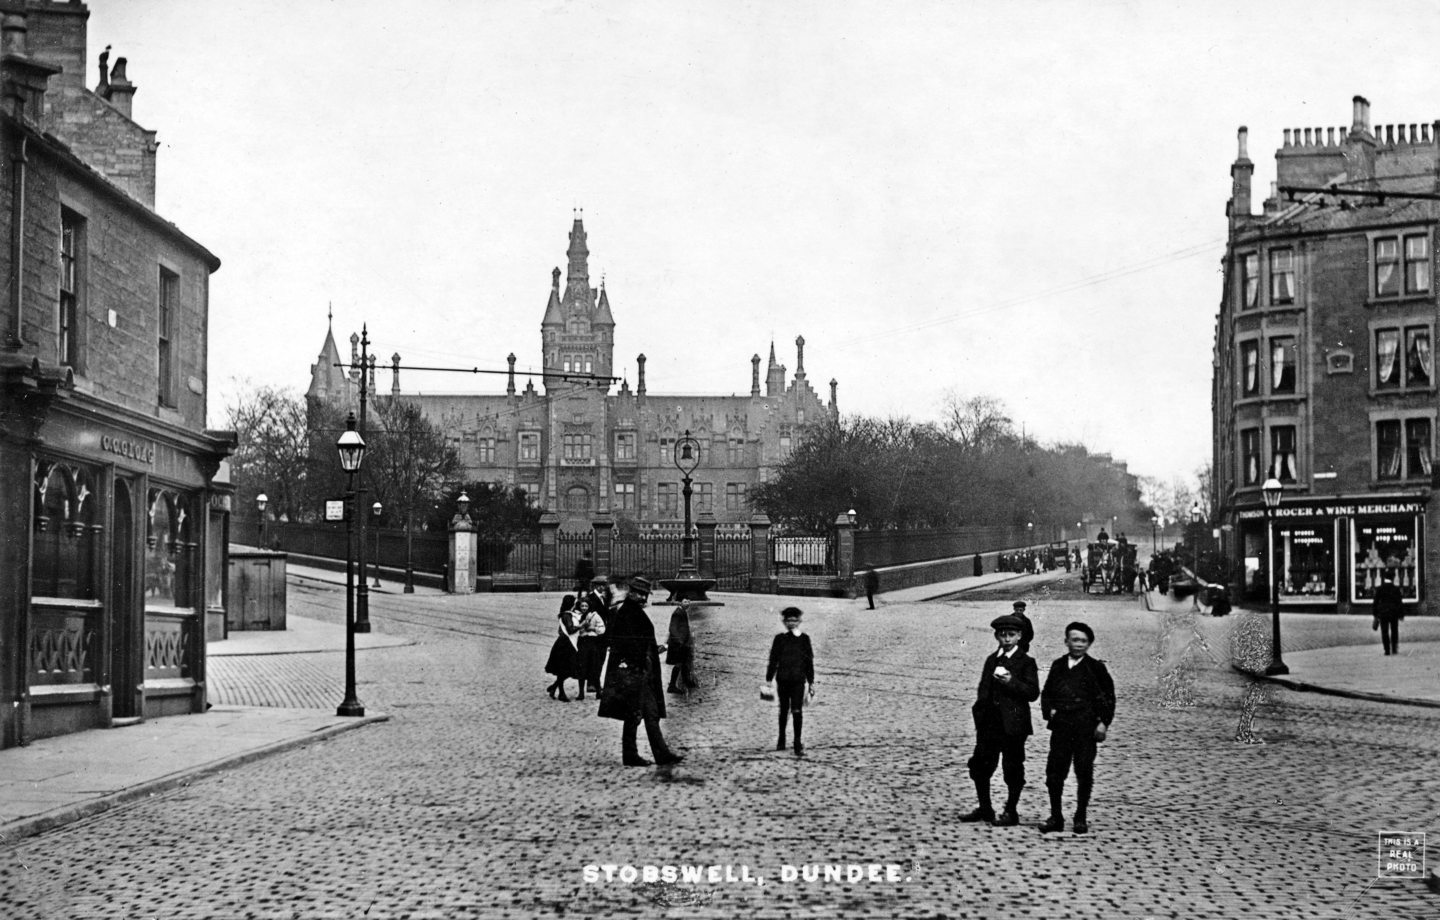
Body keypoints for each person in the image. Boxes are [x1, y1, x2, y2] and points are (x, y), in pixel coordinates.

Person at [960, 614, 1040, 827]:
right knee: (980, 766)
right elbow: (983, 689)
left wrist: (1011, 681)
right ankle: (985, 808)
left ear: (1019, 636)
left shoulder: (1026, 662)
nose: (1006, 639)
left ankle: (1011, 811)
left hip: (1013, 726)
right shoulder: (991, 659)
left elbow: (1032, 693)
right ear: (996, 636)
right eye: (1002, 635)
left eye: (1011, 635)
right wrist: (979, 715)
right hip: (989, 725)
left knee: (1012, 768)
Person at [597, 574, 682, 766]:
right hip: (635, 673)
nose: (643, 598)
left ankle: (661, 754)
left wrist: (653, 650)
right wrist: (639, 660)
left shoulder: (633, 611)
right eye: (640, 594)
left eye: (645, 595)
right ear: (631, 593)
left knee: (650, 714)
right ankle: (631, 755)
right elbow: (623, 644)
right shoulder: (627, 613)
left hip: (644, 672)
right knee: (634, 714)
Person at [1039, 622, 1115, 835]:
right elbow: (1047, 692)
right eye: (1075, 640)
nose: (1079, 644)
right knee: (1055, 773)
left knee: (1083, 771)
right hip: (1062, 727)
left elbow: (1108, 697)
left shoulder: (1096, 668)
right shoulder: (1058, 665)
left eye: (1083, 641)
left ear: (1089, 644)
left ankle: (1080, 816)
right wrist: (1049, 711)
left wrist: (1103, 723)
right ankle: (1056, 816)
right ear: (1066, 641)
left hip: (1085, 728)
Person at [766, 606, 815, 757]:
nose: (792, 623)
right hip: (783, 680)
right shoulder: (779, 639)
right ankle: (781, 738)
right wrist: (769, 678)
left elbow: (809, 662)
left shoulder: (804, 639)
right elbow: (773, 660)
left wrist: (811, 681)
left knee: (797, 711)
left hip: (798, 681)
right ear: (784, 622)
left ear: (799, 621)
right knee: (783, 710)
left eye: (794, 620)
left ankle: (797, 743)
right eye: (789, 620)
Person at [543, 595, 581, 702]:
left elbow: (560, 630)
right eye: (574, 602)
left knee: (567, 669)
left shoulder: (566, 615)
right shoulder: (566, 615)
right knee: (565, 669)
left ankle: (554, 687)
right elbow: (570, 629)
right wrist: (582, 625)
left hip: (565, 643)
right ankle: (561, 693)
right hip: (566, 645)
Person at [575, 595, 607, 698]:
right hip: (582, 643)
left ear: (589, 606)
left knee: (595, 667)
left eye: (586, 606)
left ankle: (598, 692)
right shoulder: (576, 616)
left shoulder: (594, 615)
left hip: (593, 643)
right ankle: (581, 693)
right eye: (582, 606)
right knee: (582, 668)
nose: (584, 608)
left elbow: (602, 628)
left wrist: (593, 629)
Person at [666, 602, 700, 693]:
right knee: (679, 664)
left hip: (683, 643)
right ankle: (672, 685)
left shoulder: (682, 611)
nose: (687, 603)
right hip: (678, 644)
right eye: (685, 601)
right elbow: (672, 628)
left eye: (689, 601)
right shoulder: (677, 613)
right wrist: (679, 641)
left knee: (684, 662)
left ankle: (686, 681)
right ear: (680, 602)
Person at [1373, 571, 1405, 655]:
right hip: (1394, 612)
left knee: (1384, 631)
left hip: (1383, 612)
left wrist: (1375, 614)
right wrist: (1401, 614)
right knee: (1394, 630)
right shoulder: (1396, 589)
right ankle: (1394, 649)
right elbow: (1399, 602)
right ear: (1393, 578)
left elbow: (1375, 602)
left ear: (1384, 578)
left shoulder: (1380, 588)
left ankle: (1386, 650)